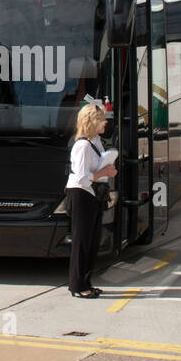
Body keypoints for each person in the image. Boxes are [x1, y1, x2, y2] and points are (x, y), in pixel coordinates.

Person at [65, 103, 116, 298]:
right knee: (82, 242)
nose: (105, 123)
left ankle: (85, 282)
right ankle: (77, 286)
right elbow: (81, 177)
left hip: (92, 194)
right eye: (102, 119)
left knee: (92, 241)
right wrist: (105, 172)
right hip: (81, 194)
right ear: (92, 122)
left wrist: (107, 169)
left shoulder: (95, 141)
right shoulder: (83, 146)